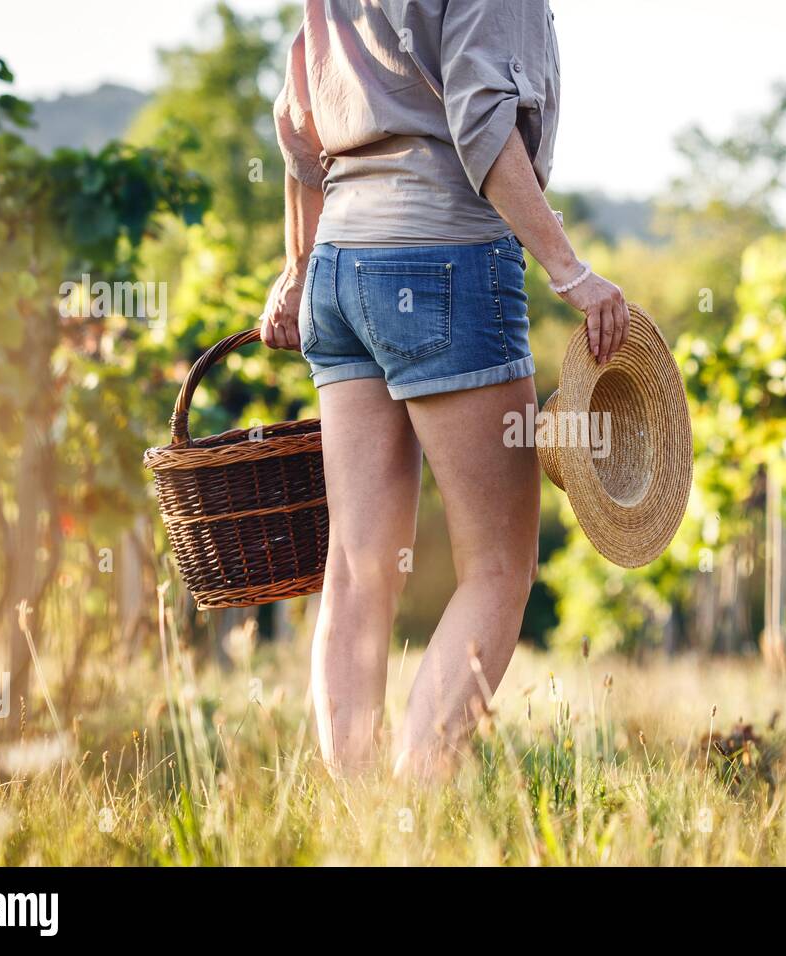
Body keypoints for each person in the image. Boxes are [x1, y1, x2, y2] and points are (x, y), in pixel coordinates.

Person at [258, 0, 628, 779]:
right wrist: (570, 270)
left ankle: (358, 820)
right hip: (444, 253)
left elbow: (298, 118)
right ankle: (416, 806)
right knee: (499, 567)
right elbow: (482, 118)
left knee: (358, 566)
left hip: (338, 265)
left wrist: (297, 267)